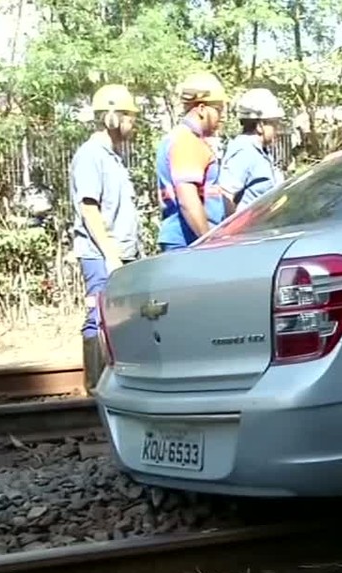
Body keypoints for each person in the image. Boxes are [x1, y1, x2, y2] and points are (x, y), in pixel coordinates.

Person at [69, 84, 141, 393]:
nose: (133, 123)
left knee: (123, 317)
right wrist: (110, 253)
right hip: (102, 254)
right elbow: (89, 206)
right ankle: (94, 388)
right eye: (130, 116)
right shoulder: (91, 156)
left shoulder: (113, 157)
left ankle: (117, 382)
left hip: (122, 251)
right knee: (98, 316)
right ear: (114, 117)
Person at [155, 72, 229, 251]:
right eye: (218, 110)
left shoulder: (185, 139)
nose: (222, 117)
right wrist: (208, 242)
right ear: (202, 108)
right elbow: (188, 200)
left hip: (189, 240)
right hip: (189, 242)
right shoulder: (186, 141)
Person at [220, 88, 286, 214]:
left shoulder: (260, 152)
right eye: (275, 124)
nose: (277, 129)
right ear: (261, 125)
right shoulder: (244, 151)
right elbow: (226, 195)